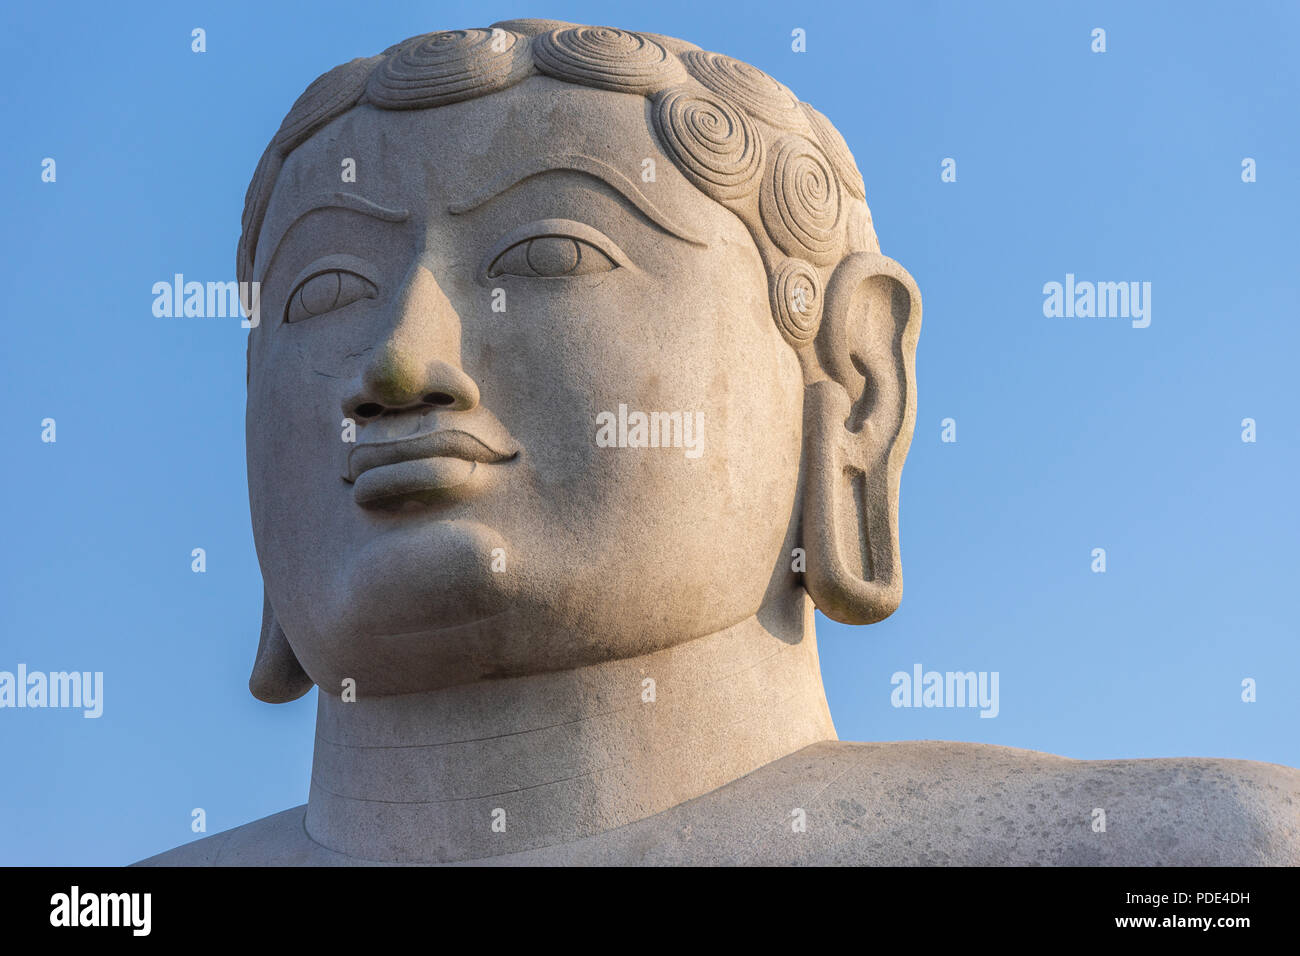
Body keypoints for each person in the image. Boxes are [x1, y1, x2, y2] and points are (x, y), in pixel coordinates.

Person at [138, 19, 1298, 865]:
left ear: (856, 387)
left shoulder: (1183, 861)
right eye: (325, 288)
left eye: (547, 256)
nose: (402, 362)